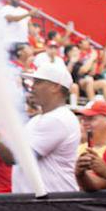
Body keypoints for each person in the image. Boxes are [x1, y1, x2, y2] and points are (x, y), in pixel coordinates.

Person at [22, 54, 81, 193]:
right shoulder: (39, 119)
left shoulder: (59, 119)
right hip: (39, 205)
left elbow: (17, 157)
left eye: (38, 82)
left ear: (55, 87)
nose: (32, 87)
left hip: (53, 205)